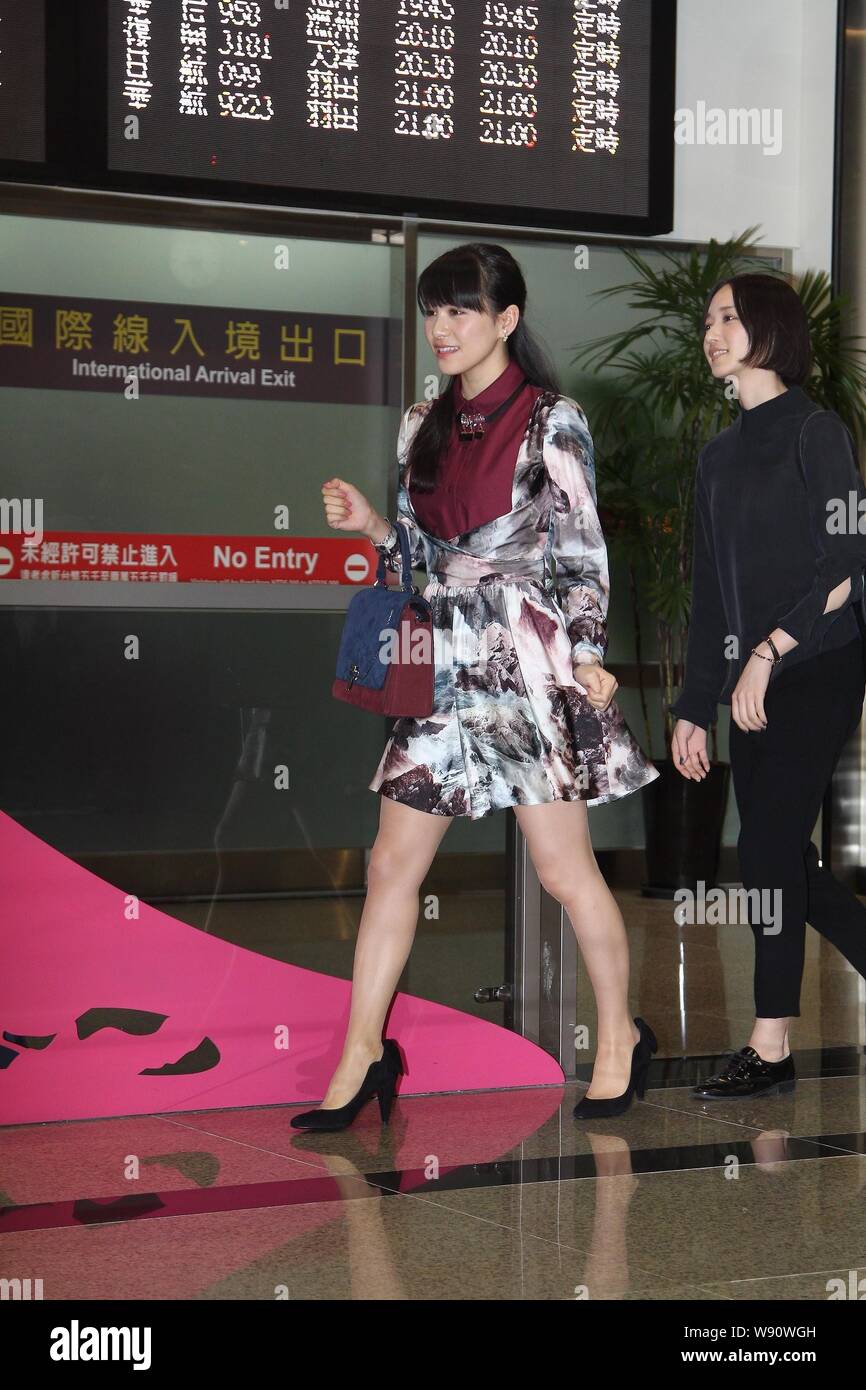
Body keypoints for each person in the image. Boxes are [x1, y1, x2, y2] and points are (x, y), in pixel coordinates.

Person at [299, 242, 659, 1132]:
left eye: (462, 310)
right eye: (434, 310)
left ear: (507, 320)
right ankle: (363, 1054)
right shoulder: (421, 416)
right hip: (440, 660)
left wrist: (586, 652)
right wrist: (375, 524)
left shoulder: (551, 419)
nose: (442, 328)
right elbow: (419, 563)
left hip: (524, 659)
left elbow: (581, 551)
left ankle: (617, 1038)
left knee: (564, 869)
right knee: (390, 862)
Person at [672, 271, 866, 1100]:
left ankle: (772, 1043)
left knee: (763, 847)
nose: (712, 330)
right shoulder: (716, 456)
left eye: (728, 317)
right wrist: (690, 709)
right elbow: (709, 589)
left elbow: (847, 559)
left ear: (770, 329)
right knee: (782, 855)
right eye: (709, 319)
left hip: (817, 664)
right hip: (751, 678)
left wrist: (771, 649)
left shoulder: (815, 432)